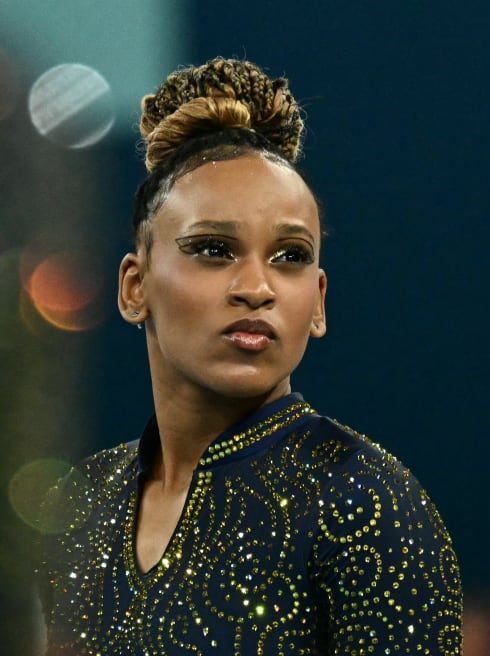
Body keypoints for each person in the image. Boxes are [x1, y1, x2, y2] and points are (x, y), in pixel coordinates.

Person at [36, 57, 464, 655]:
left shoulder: (367, 506)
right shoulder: (79, 503)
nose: (257, 287)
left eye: (290, 255)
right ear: (135, 287)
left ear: (317, 301)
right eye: (213, 249)